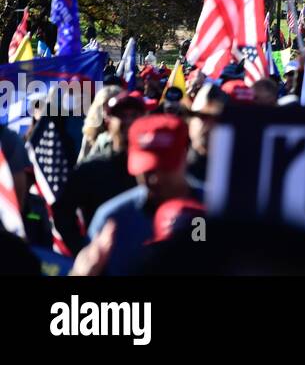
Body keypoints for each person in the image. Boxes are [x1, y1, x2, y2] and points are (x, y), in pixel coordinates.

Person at [86, 113, 202, 275]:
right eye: (146, 170)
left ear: (185, 156)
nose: (154, 179)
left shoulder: (217, 211)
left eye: (164, 168)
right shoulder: (112, 220)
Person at [53, 92, 142, 253]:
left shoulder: (156, 166)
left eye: (134, 115)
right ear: (108, 121)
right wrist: (83, 248)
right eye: (121, 115)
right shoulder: (92, 168)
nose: (128, 121)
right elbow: (62, 212)